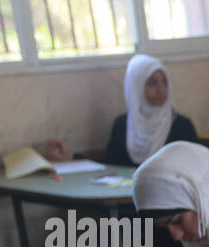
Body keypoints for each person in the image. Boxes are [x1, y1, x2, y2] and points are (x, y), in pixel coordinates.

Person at [46, 54, 199, 167]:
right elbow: (112, 165)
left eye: (165, 83)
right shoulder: (122, 125)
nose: (161, 90)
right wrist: (71, 157)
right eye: (152, 83)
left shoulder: (181, 125)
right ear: (136, 87)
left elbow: (192, 168)